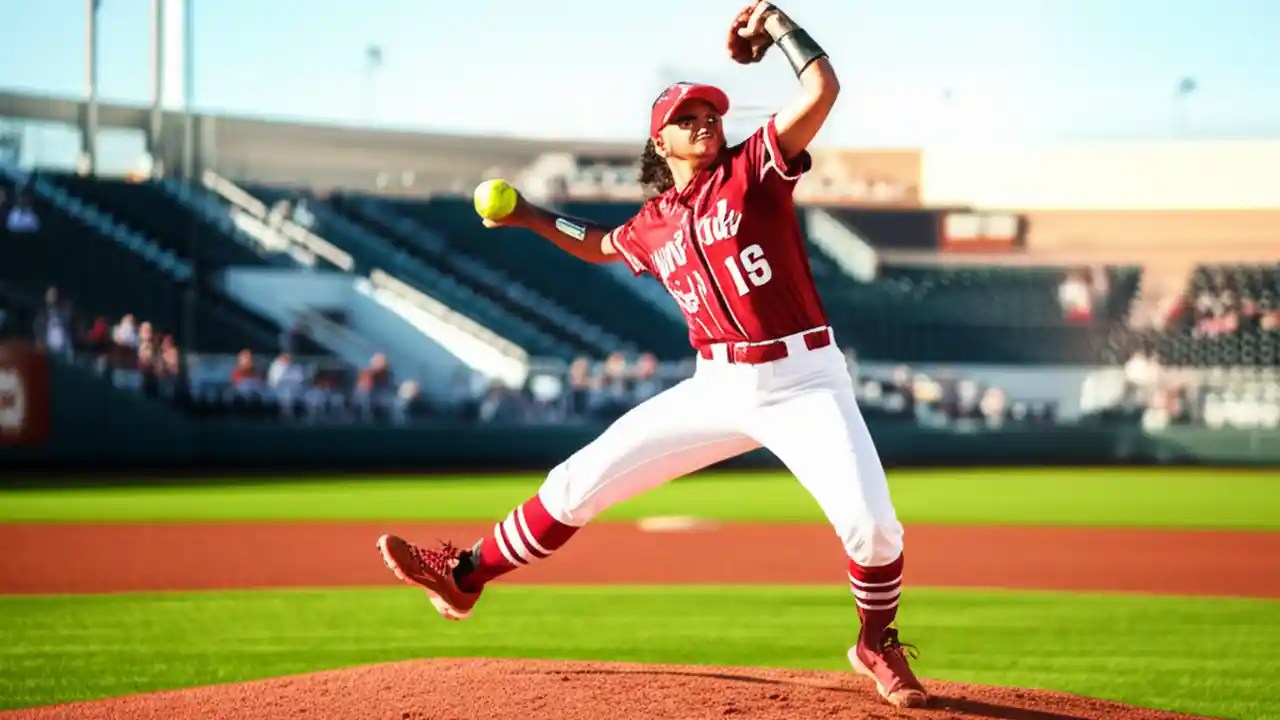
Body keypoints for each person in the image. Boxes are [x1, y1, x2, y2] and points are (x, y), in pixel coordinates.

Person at [375, 1, 927, 709]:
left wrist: (779, 26)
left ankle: (874, 641)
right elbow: (601, 243)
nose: (705, 123)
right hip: (718, 386)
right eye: (687, 118)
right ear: (660, 142)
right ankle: (465, 575)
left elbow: (822, 90)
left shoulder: (755, 169)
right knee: (579, 480)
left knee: (874, 526)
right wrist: (525, 215)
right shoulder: (655, 222)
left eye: (710, 114)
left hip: (804, 380)